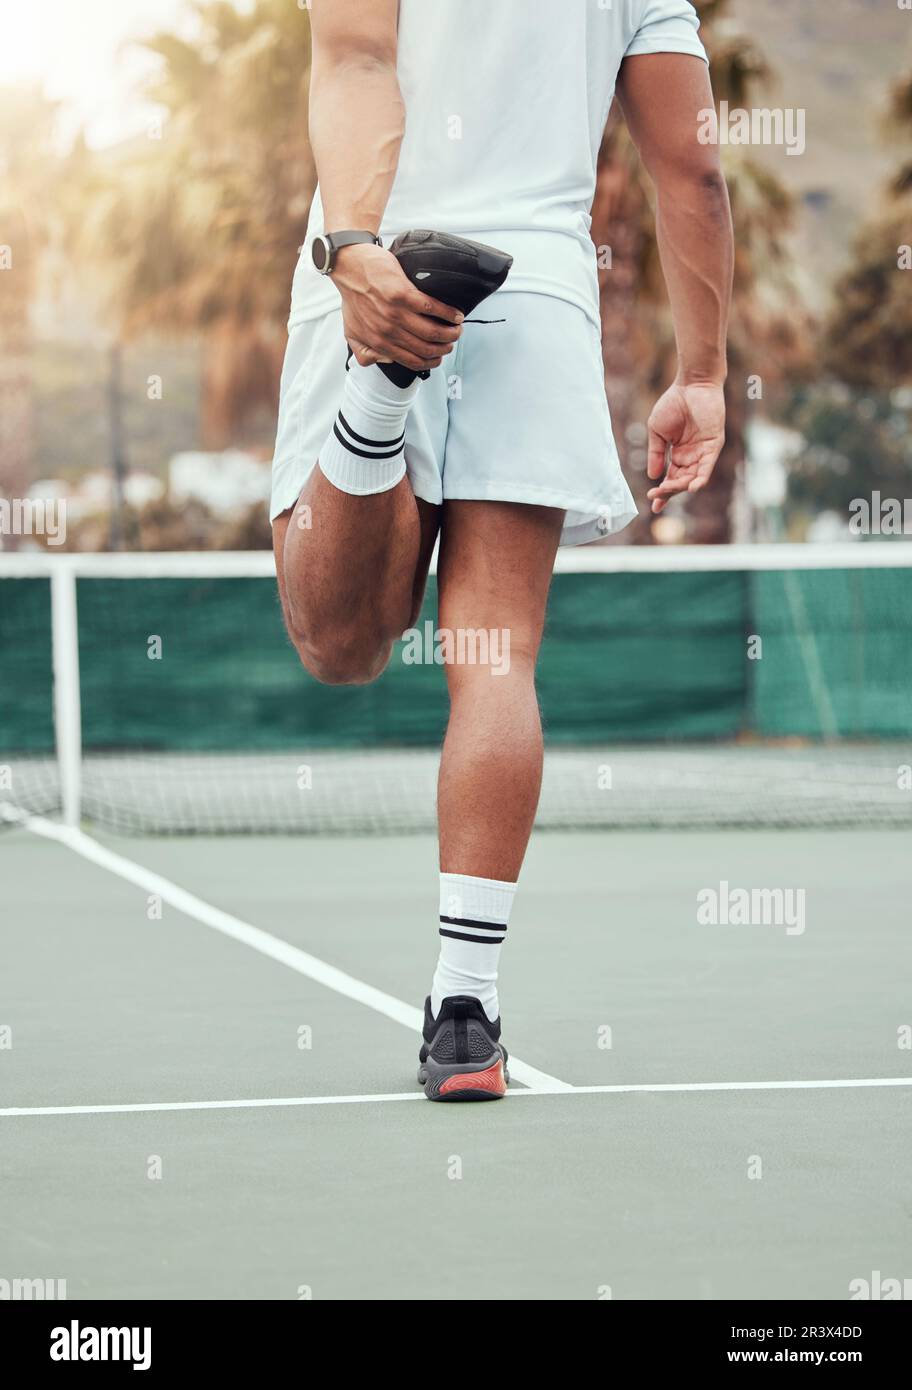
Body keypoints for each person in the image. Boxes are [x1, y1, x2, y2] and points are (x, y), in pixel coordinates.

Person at [271, 0, 733, 1100]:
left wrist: (359, 249)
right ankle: (465, 1010)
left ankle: (378, 395)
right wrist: (704, 370)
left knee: (340, 644)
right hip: (536, 285)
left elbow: (352, 56)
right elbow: (695, 171)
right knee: (495, 657)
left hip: (379, 257)